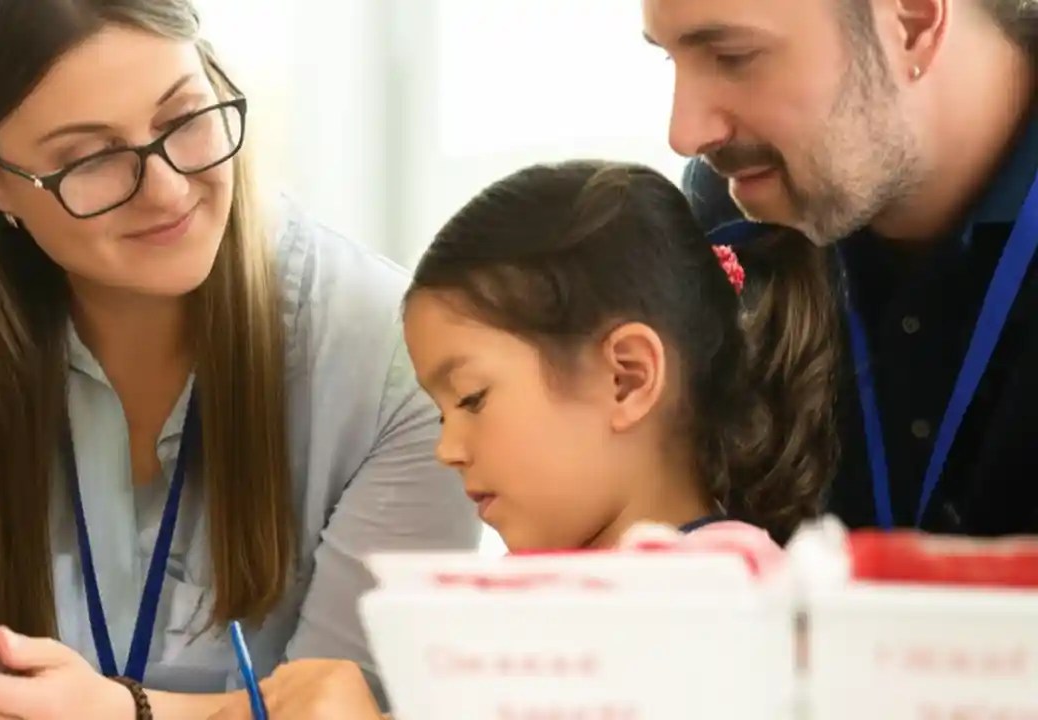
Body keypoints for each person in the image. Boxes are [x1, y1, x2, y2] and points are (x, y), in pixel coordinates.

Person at [0, 1, 480, 718]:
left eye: (185, 117)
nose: (170, 189)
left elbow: (347, 711)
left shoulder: (393, 356)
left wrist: (123, 714)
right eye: (92, 159)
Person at [206, 160, 831, 719]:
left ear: (626, 377)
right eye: (442, 411)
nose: (446, 448)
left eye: (473, 398)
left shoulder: (722, 602)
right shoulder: (525, 598)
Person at [648, 0, 1038, 535]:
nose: (684, 134)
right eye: (672, 61)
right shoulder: (725, 230)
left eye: (731, 56)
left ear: (914, 22)